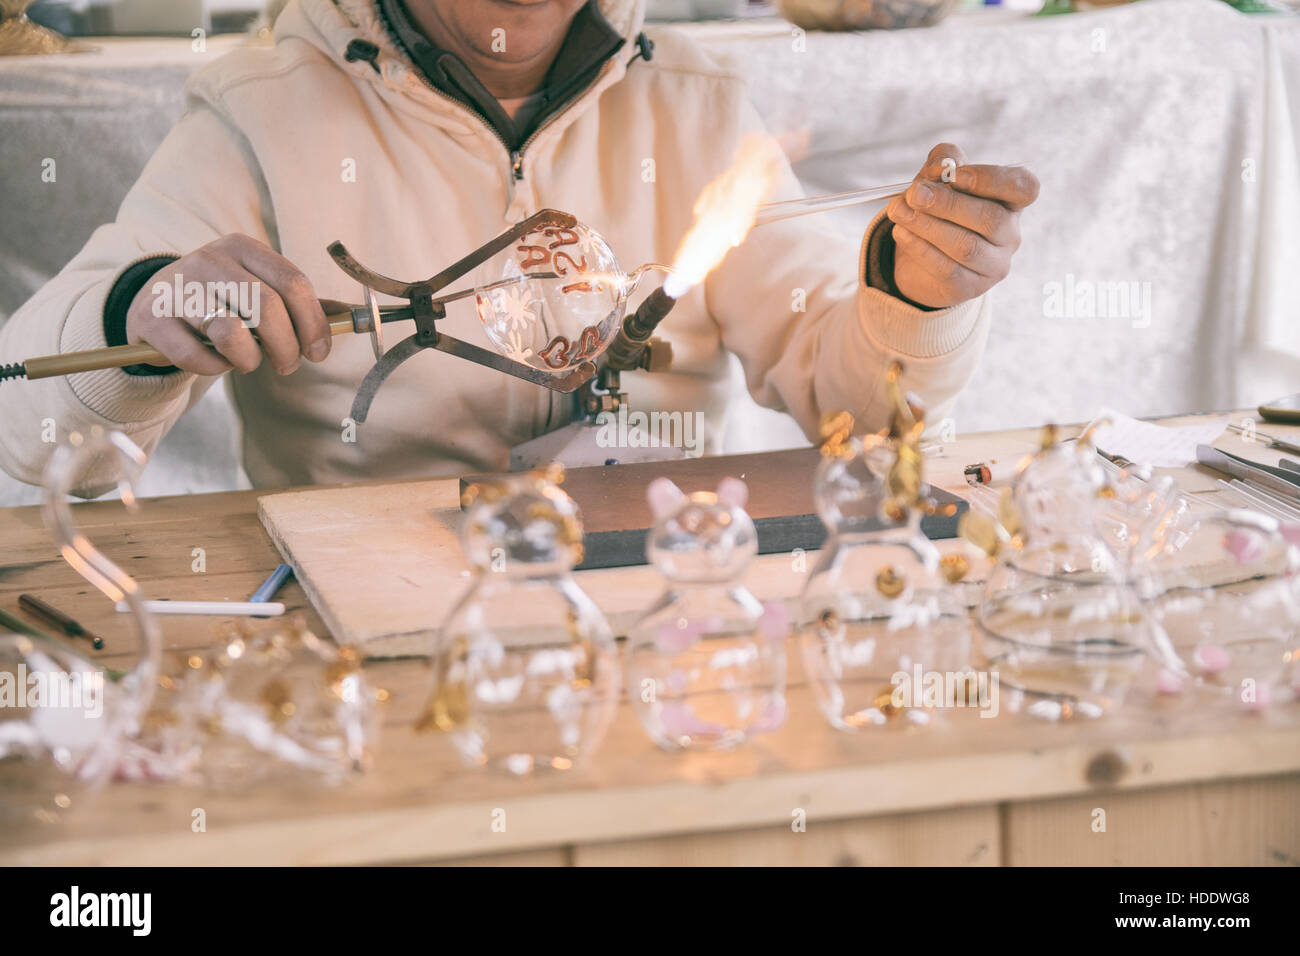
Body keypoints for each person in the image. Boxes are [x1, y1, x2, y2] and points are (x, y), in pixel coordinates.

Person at [0, 0, 1038, 496]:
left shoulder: (694, 101)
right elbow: (26, 419)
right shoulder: (259, 110)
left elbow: (853, 399)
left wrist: (915, 296)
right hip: (367, 632)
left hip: (651, 591)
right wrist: (140, 310)